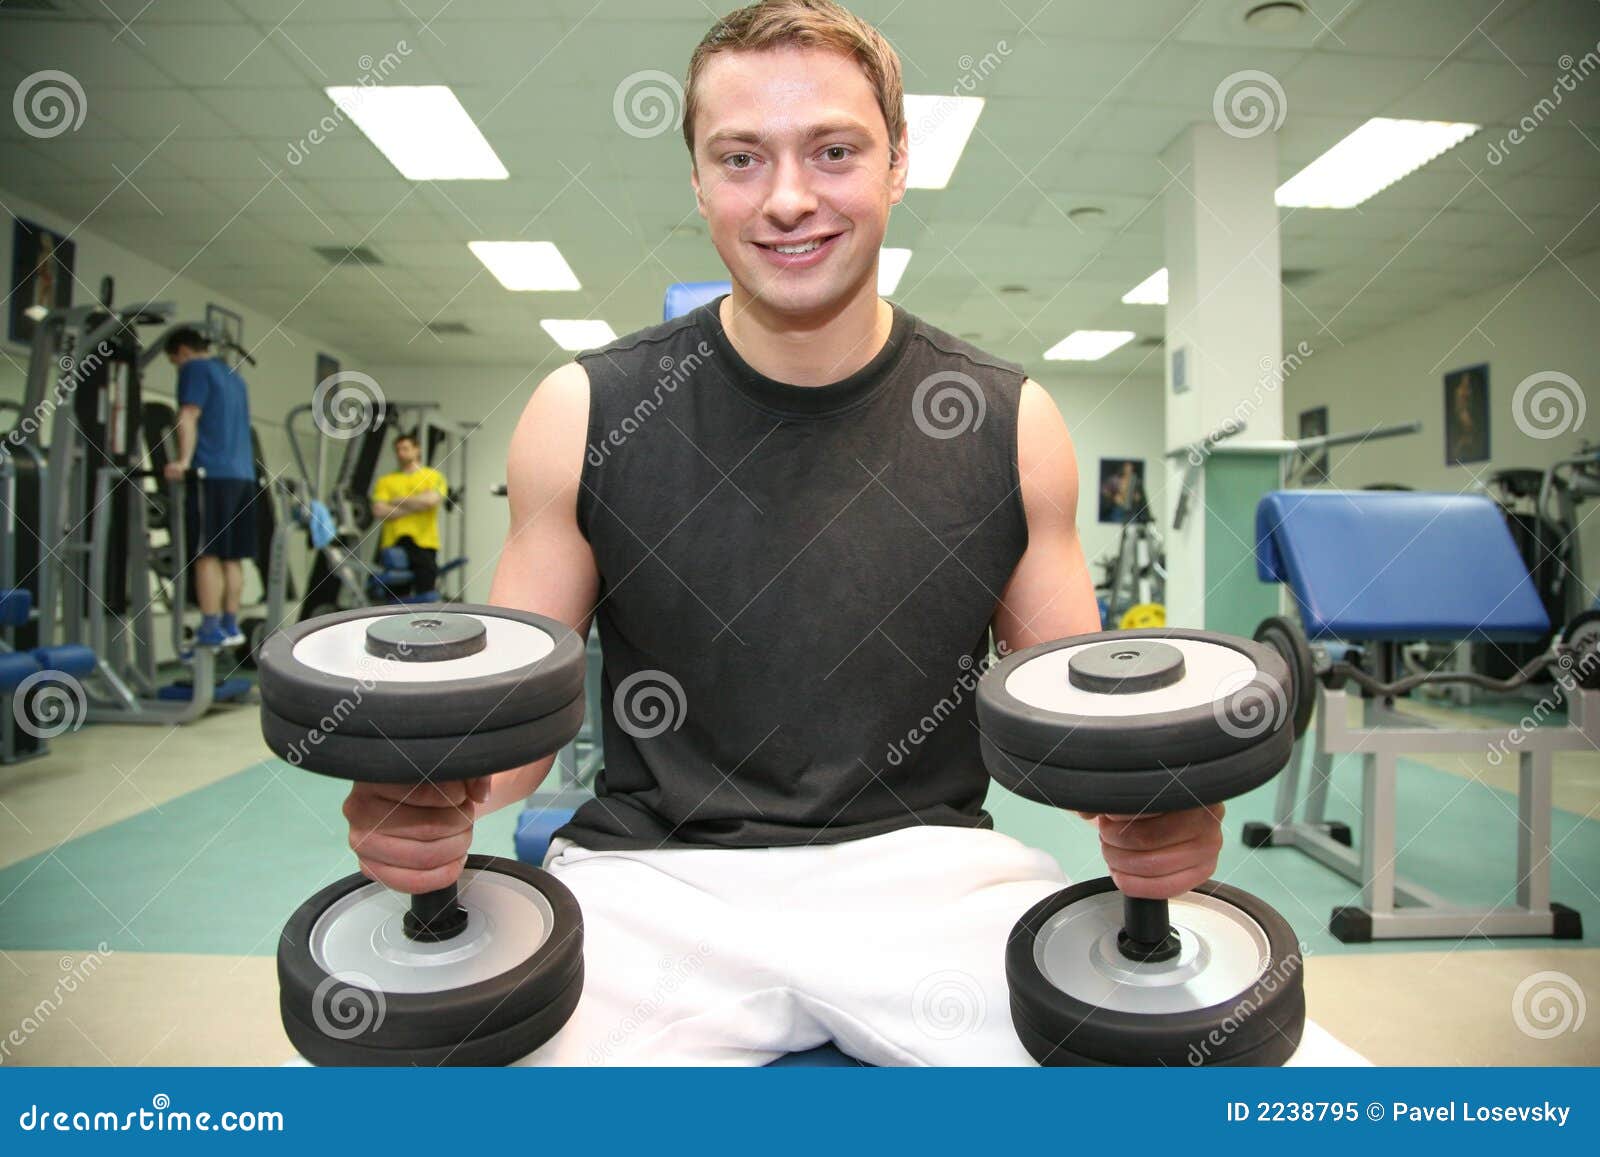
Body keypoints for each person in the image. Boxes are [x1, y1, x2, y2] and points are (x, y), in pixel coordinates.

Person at [341, 0, 1362, 1066]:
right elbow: (515, 728)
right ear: (696, 179)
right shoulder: (582, 410)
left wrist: (1152, 809)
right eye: (740, 157)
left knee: (1292, 1079)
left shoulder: (1011, 423)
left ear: (896, 162)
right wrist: (432, 795)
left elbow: (1073, 724)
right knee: (387, 1089)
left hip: (932, 879)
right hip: (653, 883)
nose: (787, 199)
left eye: (833, 150)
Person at [163, 326, 255, 648]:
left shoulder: (194, 369)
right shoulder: (235, 378)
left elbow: (188, 415)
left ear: (183, 353)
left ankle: (210, 626)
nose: (178, 367)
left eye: (175, 362)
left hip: (212, 474)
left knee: (206, 554)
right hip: (243, 476)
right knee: (232, 558)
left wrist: (183, 462)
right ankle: (231, 625)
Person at [370, 431, 447, 599]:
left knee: (426, 596)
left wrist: (397, 500)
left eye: (405, 448)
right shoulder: (386, 481)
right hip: (394, 544)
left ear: (417, 450)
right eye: (398, 449)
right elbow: (378, 510)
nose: (401, 453)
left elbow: (430, 501)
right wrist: (416, 505)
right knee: (397, 602)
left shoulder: (433, 476)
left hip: (424, 543)